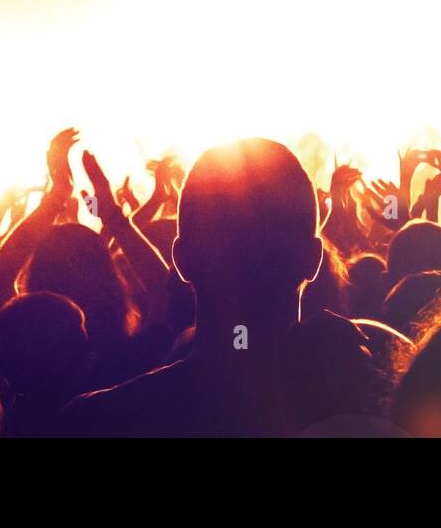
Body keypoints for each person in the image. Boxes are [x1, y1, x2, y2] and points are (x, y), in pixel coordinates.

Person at [60, 138, 382, 436]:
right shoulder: (374, 405)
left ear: (181, 261)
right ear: (313, 260)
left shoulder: (95, 422)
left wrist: (115, 218)